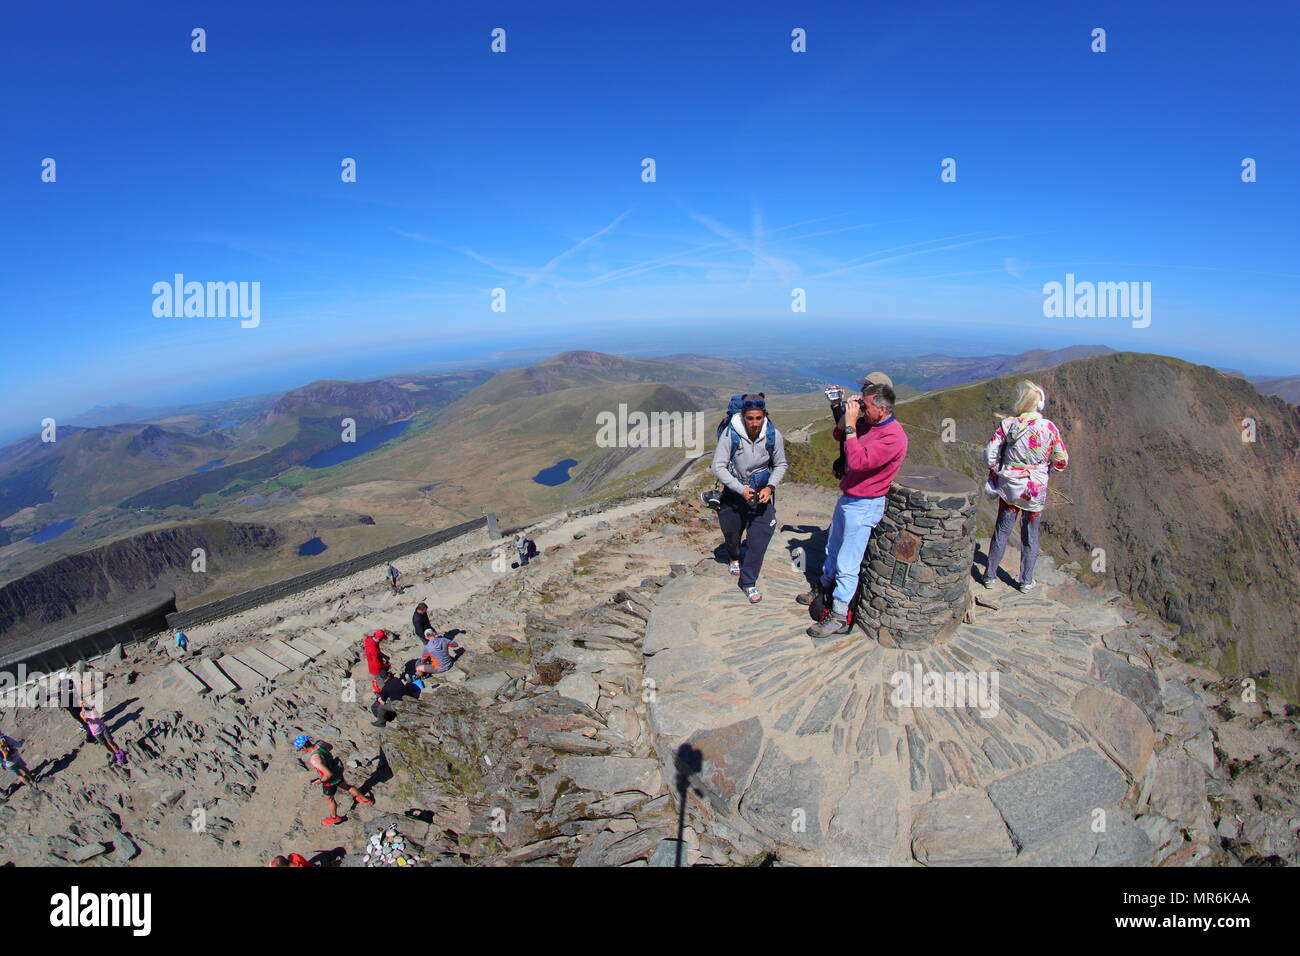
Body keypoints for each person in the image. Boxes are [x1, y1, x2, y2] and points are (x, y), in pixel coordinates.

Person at [800, 382, 908, 638]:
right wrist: (843, 410)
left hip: (865, 504)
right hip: (850, 498)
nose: (863, 410)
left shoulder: (893, 436)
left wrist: (850, 423)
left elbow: (857, 461)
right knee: (833, 549)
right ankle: (823, 590)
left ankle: (838, 615)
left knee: (848, 562)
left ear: (882, 409)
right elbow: (840, 435)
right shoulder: (871, 425)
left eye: (866, 406)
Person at [979, 380, 1069, 592]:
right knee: (1031, 534)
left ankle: (989, 576)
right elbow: (1062, 460)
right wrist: (1046, 472)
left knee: (1002, 530)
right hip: (1035, 489)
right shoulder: (1049, 427)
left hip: (1010, 486)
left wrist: (997, 469)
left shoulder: (1009, 424)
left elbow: (989, 454)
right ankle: (1026, 581)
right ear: (1040, 404)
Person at [709, 393, 788, 604]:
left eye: (758, 418)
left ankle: (748, 582)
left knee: (760, 537)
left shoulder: (773, 435)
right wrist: (740, 488)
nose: (754, 422)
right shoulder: (730, 434)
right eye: (750, 418)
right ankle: (734, 556)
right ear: (743, 416)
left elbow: (780, 464)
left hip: (761, 493)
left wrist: (770, 487)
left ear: (764, 416)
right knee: (732, 532)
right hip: (735, 493)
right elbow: (718, 466)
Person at [294, 734, 373, 826]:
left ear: (303, 747)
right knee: (346, 786)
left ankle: (334, 817)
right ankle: (366, 800)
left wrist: (320, 780)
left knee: (329, 799)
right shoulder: (320, 743)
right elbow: (330, 747)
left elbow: (327, 774)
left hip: (330, 781)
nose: (301, 750)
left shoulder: (314, 759)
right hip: (337, 770)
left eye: (300, 748)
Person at [57, 675, 95, 744]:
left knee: (85, 723)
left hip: (74, 711)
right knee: (87, 723)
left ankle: (90, 734)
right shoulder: (70, 692)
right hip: (78, 710)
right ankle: (89, 737)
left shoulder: (61, 693)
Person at [362, 629, 391, 697]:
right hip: (376, 670)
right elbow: (377, 665)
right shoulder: (373, 649)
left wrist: (383, 656)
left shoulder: (370, 641)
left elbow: (377, 652)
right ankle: (384, 694)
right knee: (381, 683)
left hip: (373, 664)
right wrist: (386, 665)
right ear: (379, 638)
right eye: (382, 639)